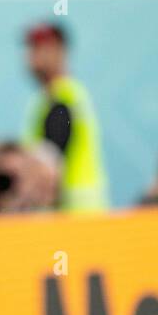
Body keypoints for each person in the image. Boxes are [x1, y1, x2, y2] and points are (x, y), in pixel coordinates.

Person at [22, 22, 109, 211]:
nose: (31, 56)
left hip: (75, 220)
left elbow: (48, 164)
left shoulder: (63, 97)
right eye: (31, 48)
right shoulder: (51, 98)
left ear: (60, 51)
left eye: (40, 48)